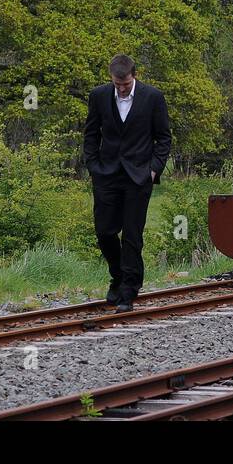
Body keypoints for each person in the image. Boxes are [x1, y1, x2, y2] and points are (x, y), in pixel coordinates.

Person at [83, 54, 172, 311]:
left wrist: (153, 170)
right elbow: (91, 133)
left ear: (134, 76)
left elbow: (163, 138)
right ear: (111, 78)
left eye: (126, 84)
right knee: (104, 231)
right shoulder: (99, 96)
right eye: (117, 84)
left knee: (132, 235)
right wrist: (93, 166)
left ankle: (127, 290)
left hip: (138, 175)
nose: (122, 89)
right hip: (106, 173)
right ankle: (120, 276)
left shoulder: (152, 97)